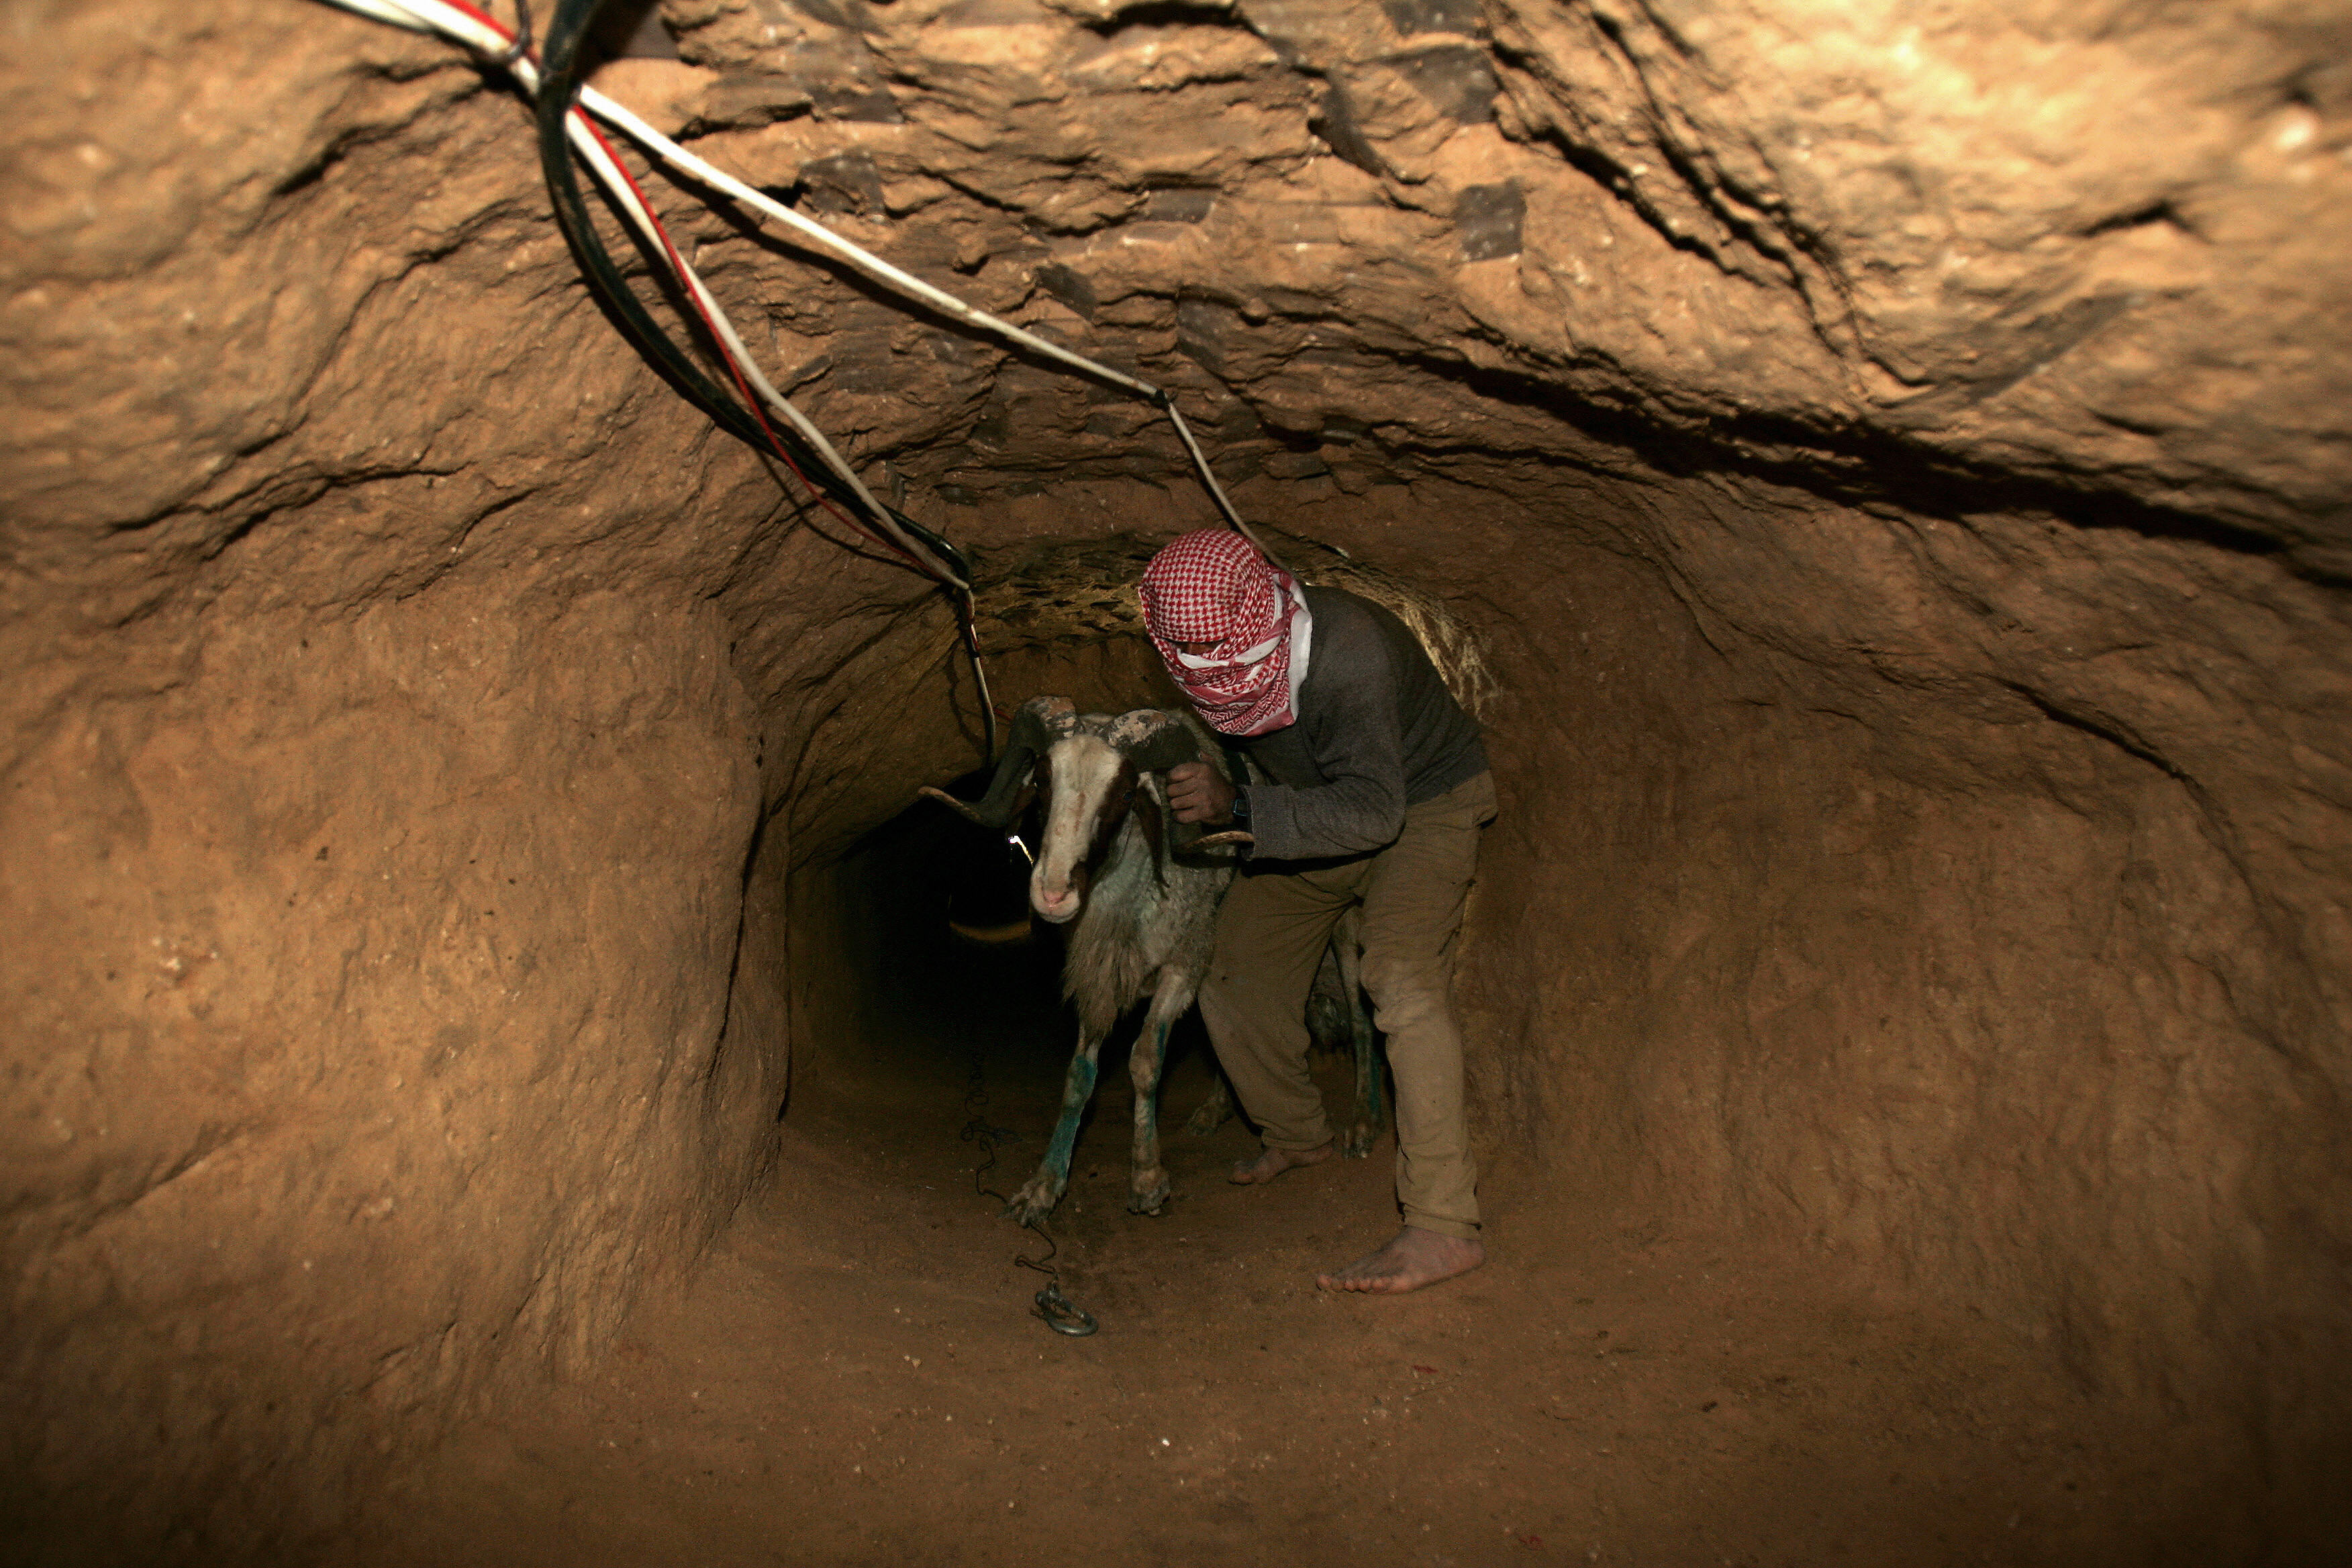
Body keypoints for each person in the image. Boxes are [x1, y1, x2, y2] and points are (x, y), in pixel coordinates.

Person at [1139, 528, 1496, 1294]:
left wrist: (1237, 805)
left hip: (1422, 804)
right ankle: (1298, 1134)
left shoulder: (1348, 652)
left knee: (1399, 973)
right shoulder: (1210, 641)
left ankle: (1443, 1224)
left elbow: (1374, 812)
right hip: (1318, 810)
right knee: (1232, 968)